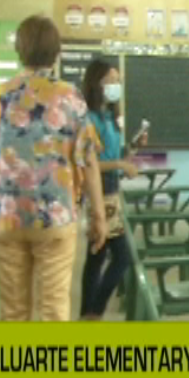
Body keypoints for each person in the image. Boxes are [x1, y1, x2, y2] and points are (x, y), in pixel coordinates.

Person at [0, 15, 107, 321]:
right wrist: (99, 217)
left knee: (14, 312)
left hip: (7, 218)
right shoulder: (69, 97)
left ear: (19, 50)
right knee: (54, 310)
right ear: (57, 52)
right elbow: (89, 161)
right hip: (56, 217)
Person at [79, 59, 147, 320]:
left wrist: (133, 148)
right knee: (122, 256)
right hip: (100, 193)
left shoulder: (109, 117)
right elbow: (90, 164)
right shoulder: (89, 119)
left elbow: (115, 154)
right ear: (96, 84)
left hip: (111, 189)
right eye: (110, 81)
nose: (116, 85)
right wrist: (119, 163)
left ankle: (87, 314)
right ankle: (93, 311)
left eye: (118, 81)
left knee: (97, 256)